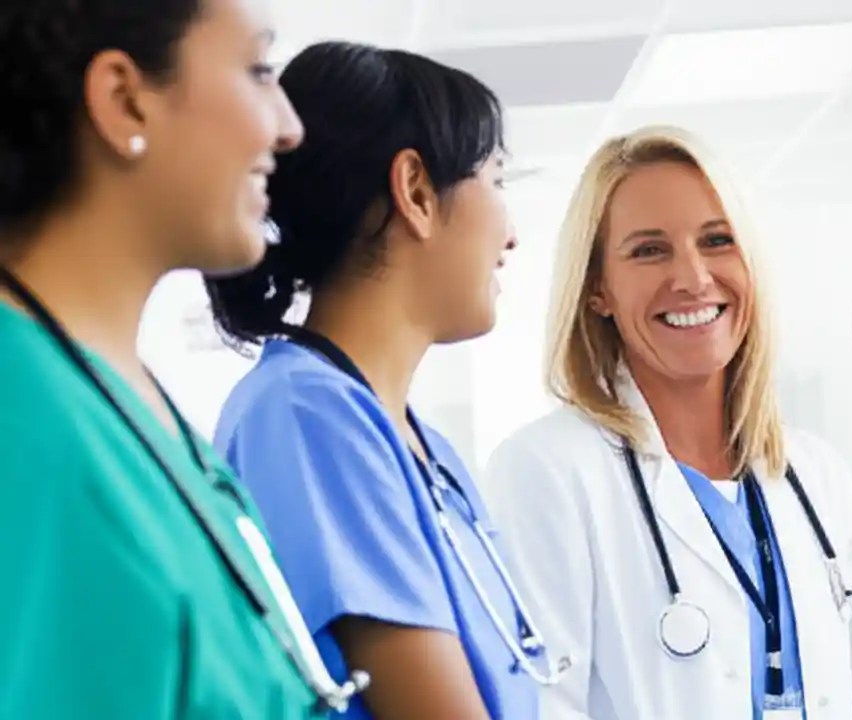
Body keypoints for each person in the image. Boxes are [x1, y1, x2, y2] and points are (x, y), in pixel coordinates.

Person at [480, 125, 852, 720]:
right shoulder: (547, 472)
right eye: (649, 250)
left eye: (717, 240)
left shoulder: (811, 474)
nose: (693, 277)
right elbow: (535, 709)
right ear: (597, 288)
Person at [0, 0, 359, 717]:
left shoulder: (126, 404)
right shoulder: (23, 421)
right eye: (258, 70)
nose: (288, 128)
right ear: (125, 101)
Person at [205, 40, 554, 720]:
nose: (510, 235)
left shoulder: (425, 449)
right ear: (417, 191)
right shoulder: (305, 416)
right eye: (497, 181)